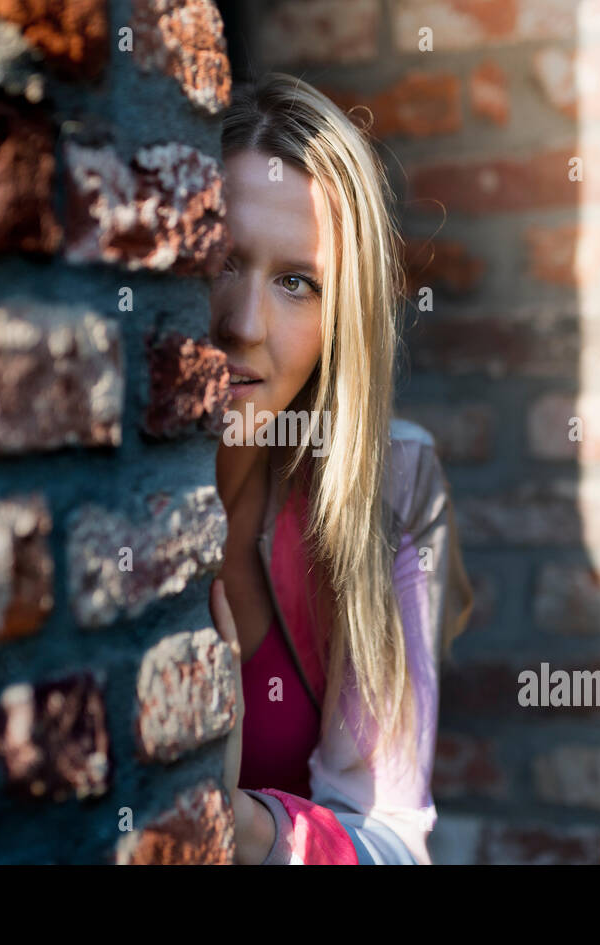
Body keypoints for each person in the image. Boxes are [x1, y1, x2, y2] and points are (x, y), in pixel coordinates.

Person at [208, 72, 475, 865]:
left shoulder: (392, 485)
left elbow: (393, 842)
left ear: (340, 321)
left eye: (297, 283)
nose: (243, 323)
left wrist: (239, 822)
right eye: (222, 259)